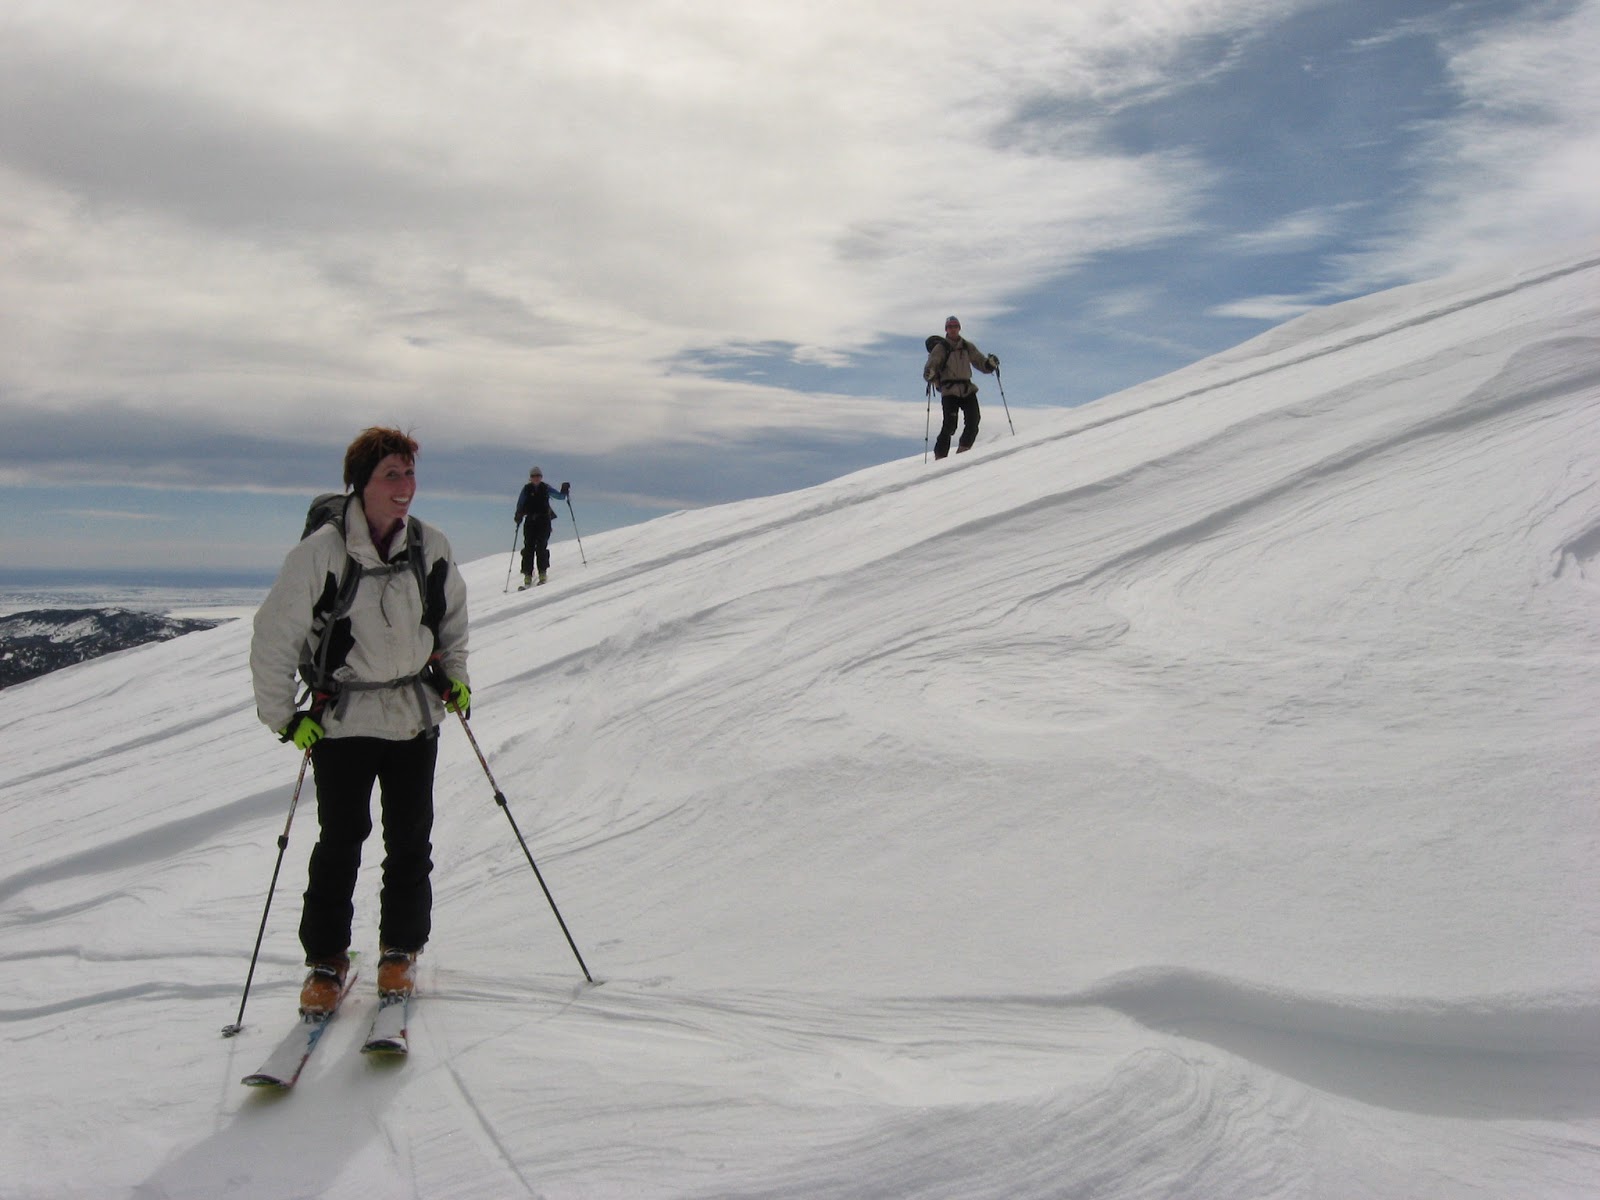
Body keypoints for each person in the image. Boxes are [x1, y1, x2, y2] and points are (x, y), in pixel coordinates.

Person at [250, 426, 471, 1013]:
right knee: (341, 840)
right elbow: (274, 638)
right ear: (362, 483)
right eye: (391, 475)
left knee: (409, 841)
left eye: (409, 474)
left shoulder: (431, 546)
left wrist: (458, 678)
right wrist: (284, 719)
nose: (405, 487)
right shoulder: (320, 554)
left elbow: (452, 624)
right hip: (343, 721)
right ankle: (325, 962)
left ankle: (400, 952)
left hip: (413, 716)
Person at [923, 315, 998, 459]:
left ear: (959, 328)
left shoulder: (967, 346)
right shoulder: (940, 348)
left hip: (966, 388)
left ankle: (963, 452)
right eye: (950, 327)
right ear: (946, 329)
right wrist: (929, 373)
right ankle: (941, 457)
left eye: (955, 326)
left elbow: (979, 361)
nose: (953, 329)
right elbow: (931, 365)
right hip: (950, 390)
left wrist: (989, 364)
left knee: (974, 419)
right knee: (950, 425)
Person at [513, 467, 571, 588]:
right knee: (528, 547)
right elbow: (520, 504)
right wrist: (518, 515)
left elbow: (560, 496)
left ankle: (542, 573)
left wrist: (564, 490)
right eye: (534, 476)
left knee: (541, 546)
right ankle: (527, 574)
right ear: (531, 478)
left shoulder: (545, 487)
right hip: (530, 521)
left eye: (538, 476)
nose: (536, 478)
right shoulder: (526, 489)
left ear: (541, 477)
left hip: (543, 520)